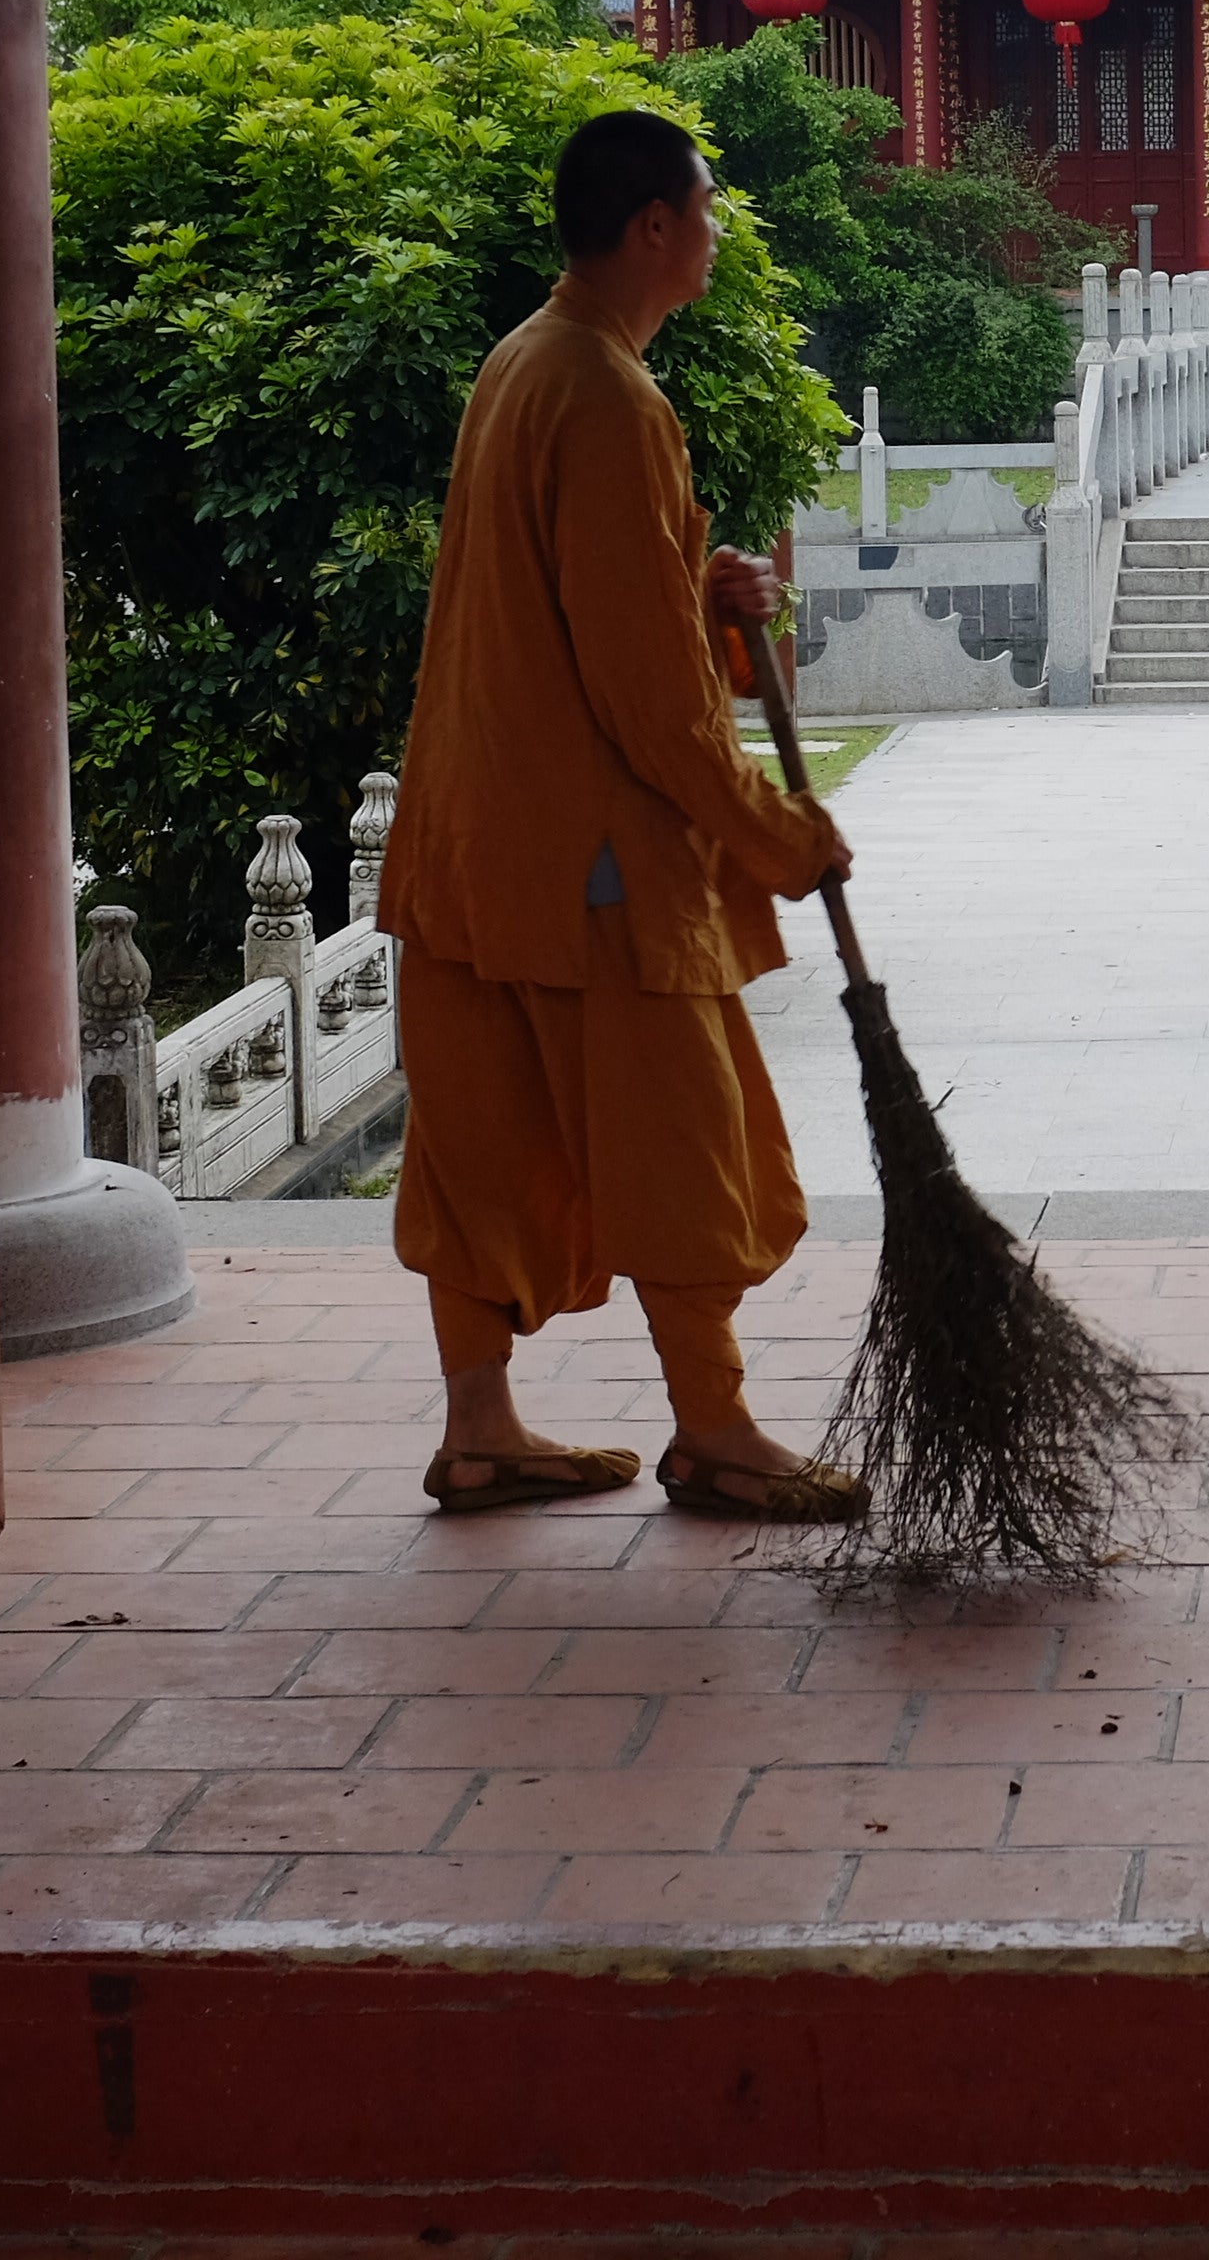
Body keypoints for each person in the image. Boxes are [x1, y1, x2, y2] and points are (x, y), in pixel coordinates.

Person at [373, 109, 868, 1520]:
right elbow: (646, 708)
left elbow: (574, 619)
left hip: (475, 843)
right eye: (707, 210)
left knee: (482, 1142)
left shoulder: (526, 363)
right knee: (681, 1143)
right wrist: (780, 836)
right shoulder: (607, 399)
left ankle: (481, 1429)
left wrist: (693, 597)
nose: (715, 232)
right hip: (584, 866)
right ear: (655, 225)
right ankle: (714, 1429)